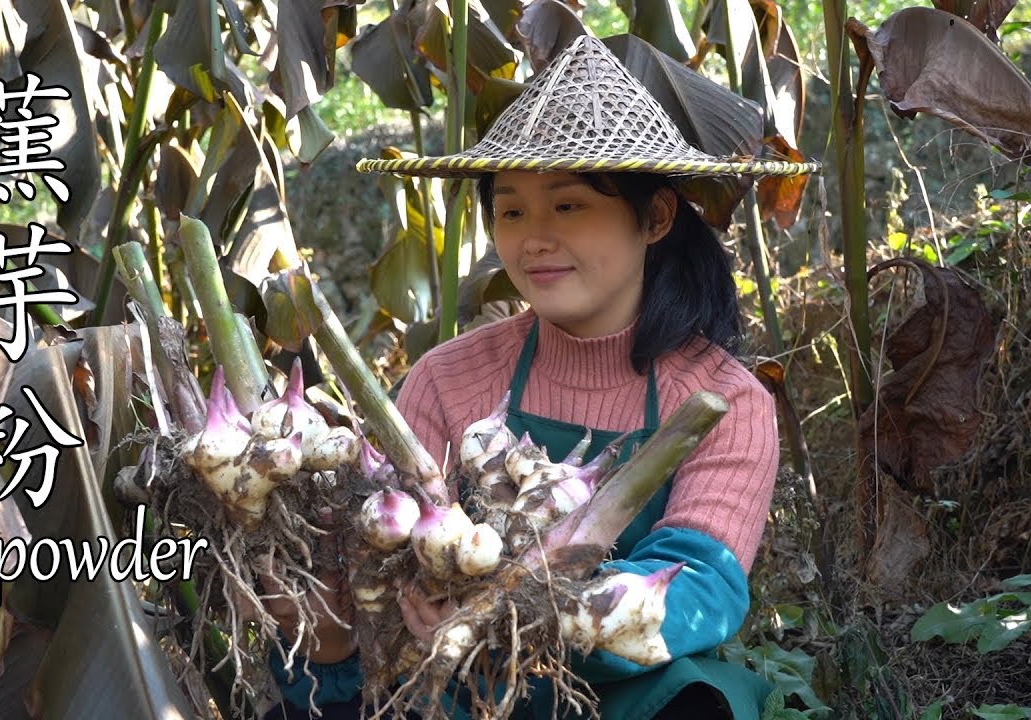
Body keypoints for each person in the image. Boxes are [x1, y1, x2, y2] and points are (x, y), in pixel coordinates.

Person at [266, 34, 817, 719]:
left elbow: (700, 585)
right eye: (511, 210)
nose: (534, 238)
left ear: (656, 217)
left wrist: (517, 606)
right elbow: (390, 546)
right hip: (461, 686)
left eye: (568, 205)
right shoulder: (447, 379)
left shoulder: (724, 400)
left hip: (625, 695)